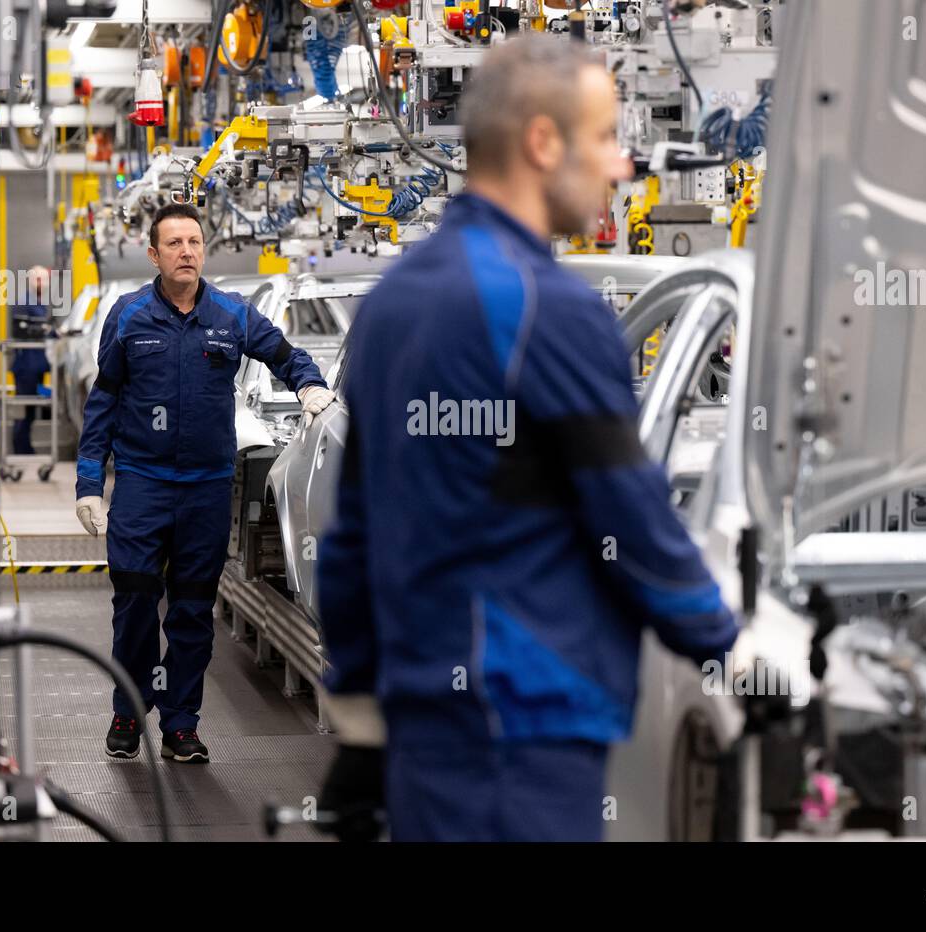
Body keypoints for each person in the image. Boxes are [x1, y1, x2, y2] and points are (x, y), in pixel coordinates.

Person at [315, 35, 742, 841]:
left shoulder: (391, 306)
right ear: (543, 143)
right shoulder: (549, 308)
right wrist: (733, 648)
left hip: (427, 730)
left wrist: (364, 720)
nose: (622, 167)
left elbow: (352, 537)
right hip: (524, 728)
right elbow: (633, 519)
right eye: (608, 139)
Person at [74, 203, 336, 762]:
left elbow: (284, 355)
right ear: (155, 254)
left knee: (193, 611)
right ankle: (128, 709)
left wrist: (311, 386)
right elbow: (103, 405)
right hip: (143, 487)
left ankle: (181, 724)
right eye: (174, 243)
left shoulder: (233, 315)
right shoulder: (128, 316)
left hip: (206, 489)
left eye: (194, 241)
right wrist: (90, 485)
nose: (186, 251)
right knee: (135, 604)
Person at [9, 266, 54, 457]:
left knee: (32, 408)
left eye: (44, 280)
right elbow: (20, 330)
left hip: (37, 364)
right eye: (38, 279)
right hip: (26, 364)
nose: (41, 283)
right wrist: (45, 330)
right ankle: (21, 449)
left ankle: (26, 448)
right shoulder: (23, 302)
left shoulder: (39, 302)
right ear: (30, 280)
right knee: (24, 410)